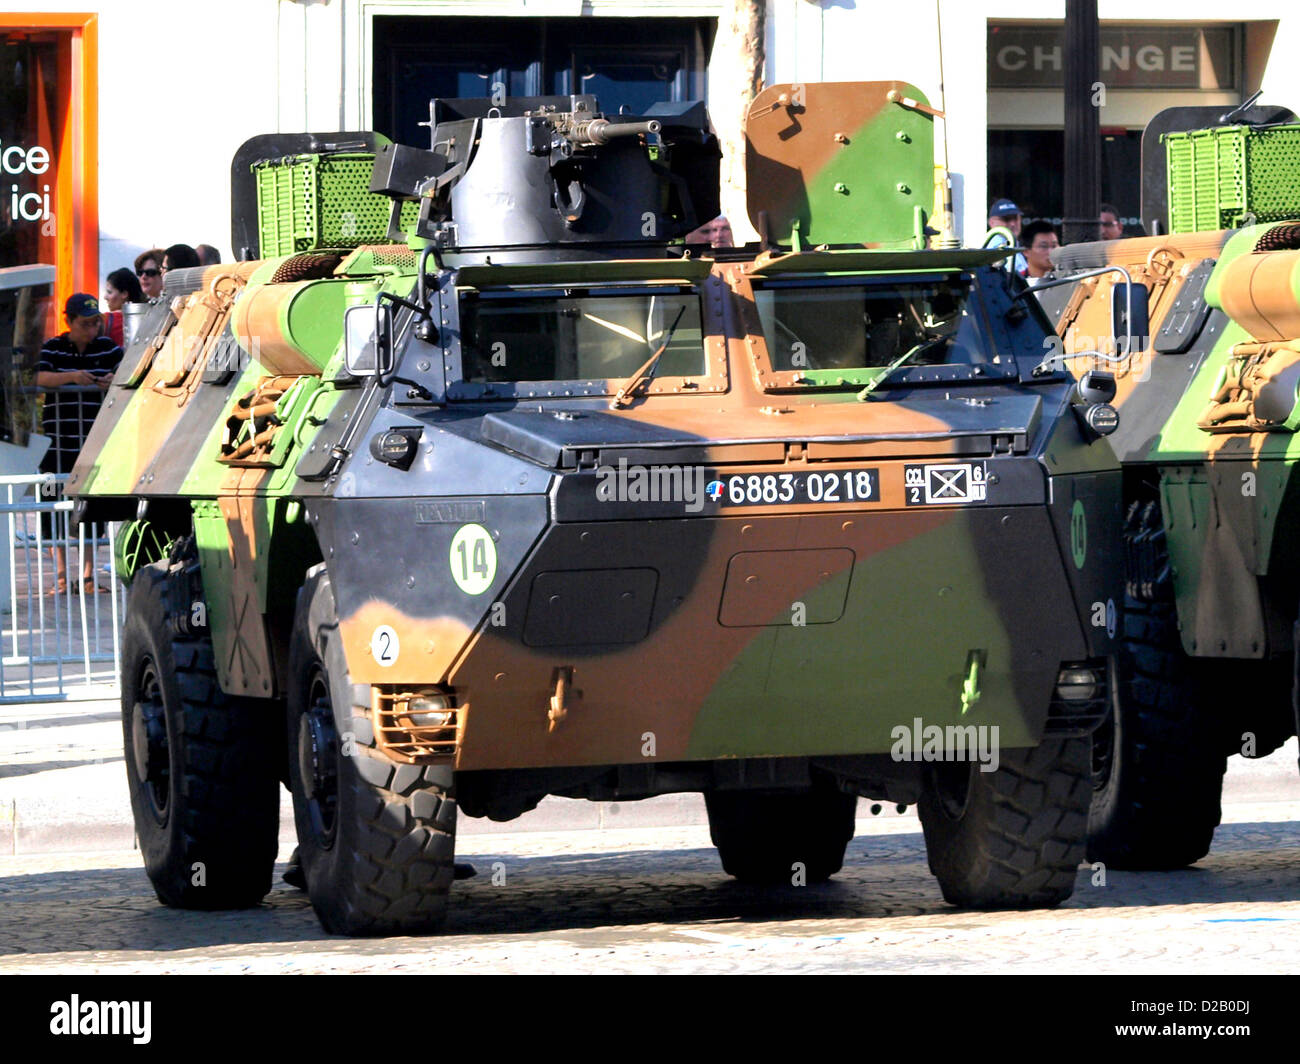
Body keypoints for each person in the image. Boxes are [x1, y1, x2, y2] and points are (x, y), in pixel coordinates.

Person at [34, 294, 123, 595]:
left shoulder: (107, 347)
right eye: (85, 324)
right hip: (56, 444)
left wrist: (113, 379)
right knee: (51, 506)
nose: (92, 329)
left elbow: (129, 373)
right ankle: (60, 575)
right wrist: (72, 377)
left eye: (95, 322)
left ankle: (87, 576)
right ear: (68, 322)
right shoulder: (53, 347)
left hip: (93, 443)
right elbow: (40, 377)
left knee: (91, 506)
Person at [102, 267, 145, 347]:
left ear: (124, 294)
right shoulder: (147, 317)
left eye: (109, 292)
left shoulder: (105, 320)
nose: (105, 297)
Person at [986, 197, 1027, 274]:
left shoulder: (1013, 244)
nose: (1012, 224)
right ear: (992, 223)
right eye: (1006, 219)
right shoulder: (997, 247)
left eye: (1015, 218)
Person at [1020, 220, 1060, 286]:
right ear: (1026, 251)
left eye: (1054, 246)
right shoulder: (1016, 282)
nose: (1050, 252)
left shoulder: (1065, 280)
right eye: (1044, 246)